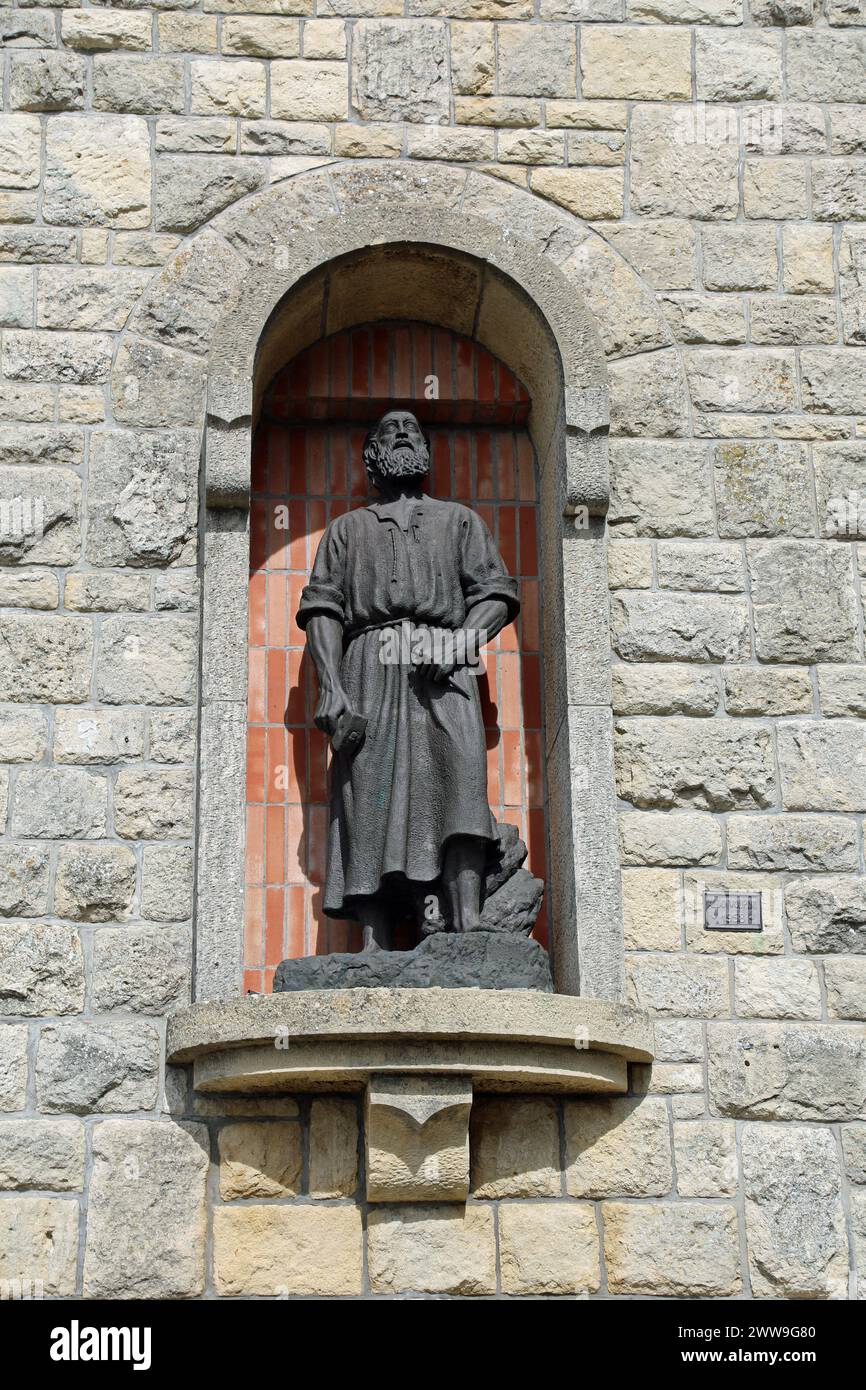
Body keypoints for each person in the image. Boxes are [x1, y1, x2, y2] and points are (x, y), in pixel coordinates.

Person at [298, 410, 520, 951]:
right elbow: (323, 607)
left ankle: (466, 927)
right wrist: (331, 685)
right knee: (366, 788)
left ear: (425, 452)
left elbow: (495, 594)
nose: (403, 435)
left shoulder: (459, 521)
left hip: (445, 665)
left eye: (414, 431)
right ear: (372, 457)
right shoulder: (346, 531)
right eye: (389, 432)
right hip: (369, 662)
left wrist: (460, 643)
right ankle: (372, 941)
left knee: (460, 781)